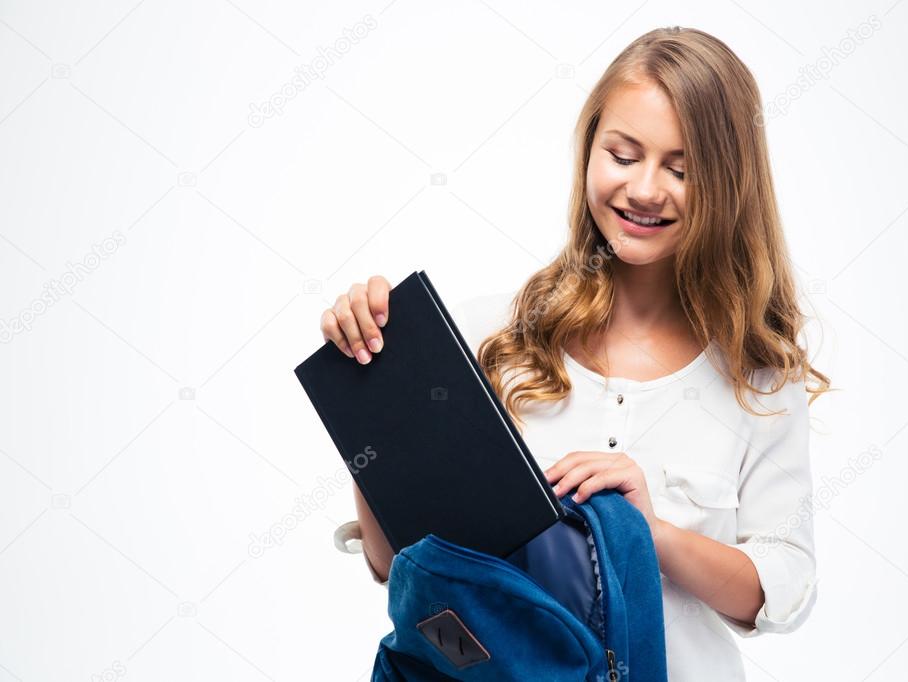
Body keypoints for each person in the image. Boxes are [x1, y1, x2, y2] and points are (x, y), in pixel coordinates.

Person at [323, 26, 831, 681]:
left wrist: (647, 537)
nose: (646, 189)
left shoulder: (759, 379)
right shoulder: (487, 335)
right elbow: (401, 567)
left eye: (682, 169)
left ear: (730, 182)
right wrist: (374, 407)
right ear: (589, 150)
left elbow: (783, 590)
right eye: (623, 155)